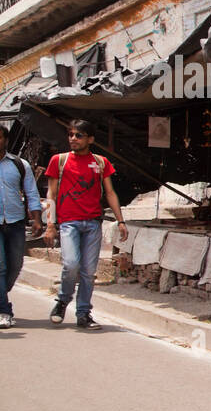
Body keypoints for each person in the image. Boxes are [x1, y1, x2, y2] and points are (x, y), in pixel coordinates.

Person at [44, 120, 127, 329]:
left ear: (90, 139)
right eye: (71, 134)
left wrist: (121, 220)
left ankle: (83, 314)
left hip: (92, 223)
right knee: (71, 265)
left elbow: (109, 192)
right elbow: (51, 194)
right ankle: (63, 300)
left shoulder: (100, 162)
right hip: (68, 222)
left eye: (78, 135)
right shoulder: (59, 160)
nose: (73, 138)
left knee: (89, 271)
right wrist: (50, 224)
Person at [0, 123, 44, 328]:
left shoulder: (19, 164)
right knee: (0, 267)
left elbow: (32, 193)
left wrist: (37, 219)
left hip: (15, 222)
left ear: (5, 140)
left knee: (15, 265)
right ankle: (4, 310)